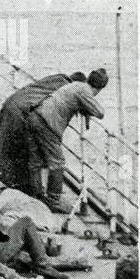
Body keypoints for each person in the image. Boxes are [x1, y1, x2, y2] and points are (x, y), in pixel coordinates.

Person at [26, 68, 108, 211]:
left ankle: (36, 195)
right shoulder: (85, 91)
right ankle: (53, 201)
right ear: (100, 88)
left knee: (35, 161)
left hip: (35, 116)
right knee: (57, 163)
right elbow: (100, 113)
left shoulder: (76, 85)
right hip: (47, 124)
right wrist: (86, 108)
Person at [0, 71, 81, 193]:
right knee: (20, 150)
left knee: (4, 146)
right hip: (21, 111)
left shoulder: (57, 77)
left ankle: (14, 180)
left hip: (13, 102)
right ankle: (20, 185)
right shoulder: (66, 88)